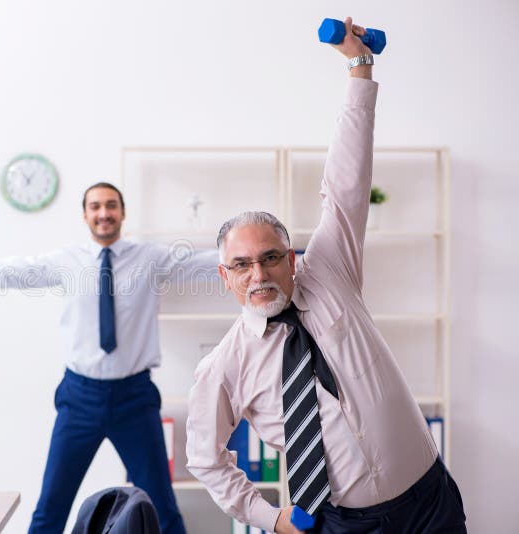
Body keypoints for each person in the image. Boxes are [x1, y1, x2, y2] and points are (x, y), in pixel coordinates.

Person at [185, 18, 466, 534]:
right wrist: (268, 518)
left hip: (430, 502)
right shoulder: (224, 365)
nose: (259, 274)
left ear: (292, 259)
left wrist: (359, 69)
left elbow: (346, 179)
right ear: (226, 277)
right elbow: (205, 458)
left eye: (270, 257)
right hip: (343, 524)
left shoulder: (330, 271)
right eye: (242, 265)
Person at [0, 182, 219, 534]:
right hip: (80, 399)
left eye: (111, 205)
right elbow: (9, 271)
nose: (104, 213)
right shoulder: (67, 261)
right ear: (85, 215)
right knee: (51, 507)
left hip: (135, 399)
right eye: (95, 206)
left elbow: (207, 263)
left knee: (163, 507)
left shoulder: (151, 259)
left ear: (122, 213)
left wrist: (277, 259)